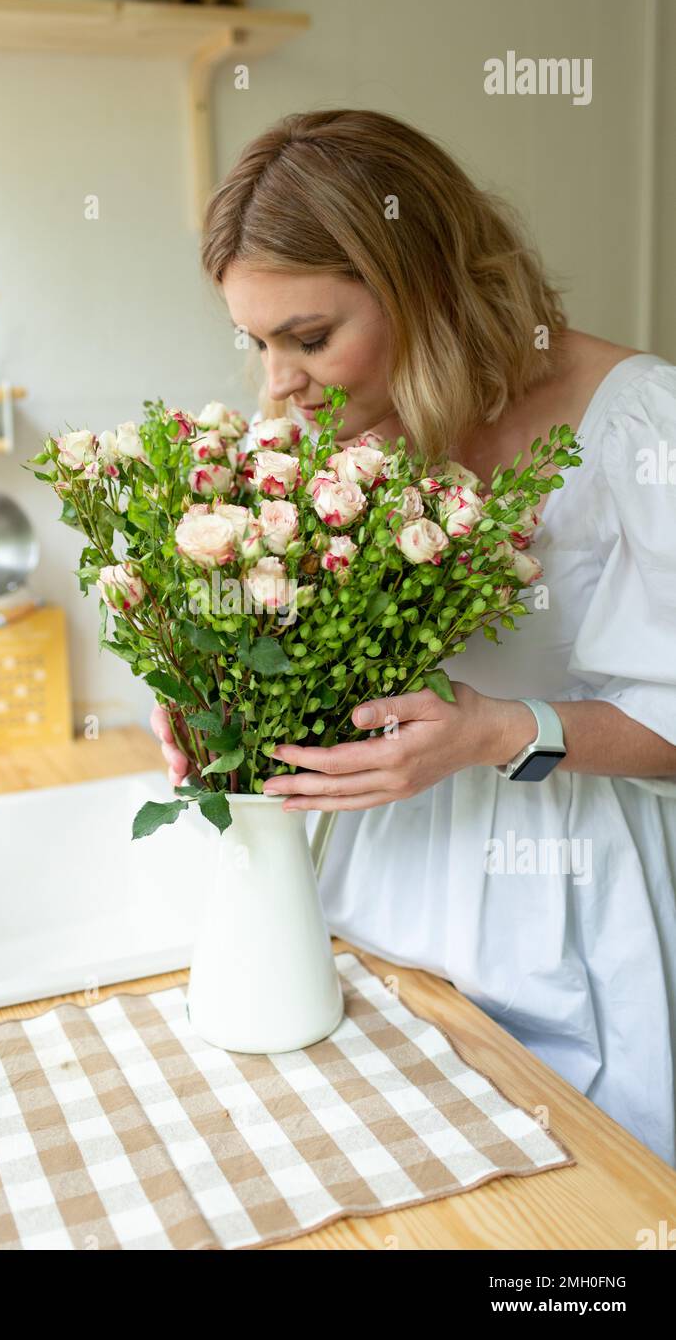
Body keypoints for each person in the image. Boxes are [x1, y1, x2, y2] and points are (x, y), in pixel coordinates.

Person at [150, 109, 676, 1168]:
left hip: (564, 899)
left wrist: (494, 729)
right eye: (254, 342)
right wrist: (212, 694)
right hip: (372, 885)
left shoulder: (635, 425)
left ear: (422, 282)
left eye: (308, 337)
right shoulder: (344, 431)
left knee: (566, 1224)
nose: (276, 385)